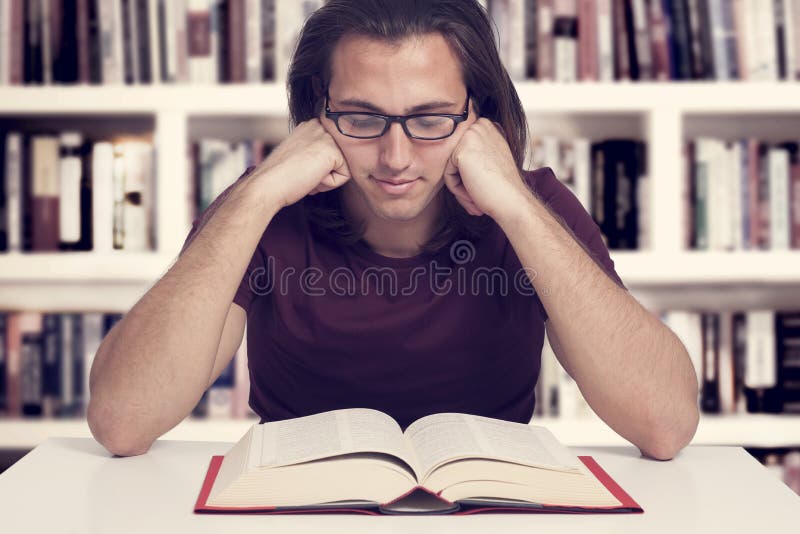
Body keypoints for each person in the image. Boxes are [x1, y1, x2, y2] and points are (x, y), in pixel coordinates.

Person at [87, 0, 699, 460]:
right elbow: (122, 422)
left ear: (478, 114)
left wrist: (515, 205)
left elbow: (666, 425)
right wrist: (260, 194)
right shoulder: (261, 204)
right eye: (361, 118)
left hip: (489, 513)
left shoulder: (534, 206)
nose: (395, 158)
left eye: (430, 119)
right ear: (319, 110)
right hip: (297, 514)